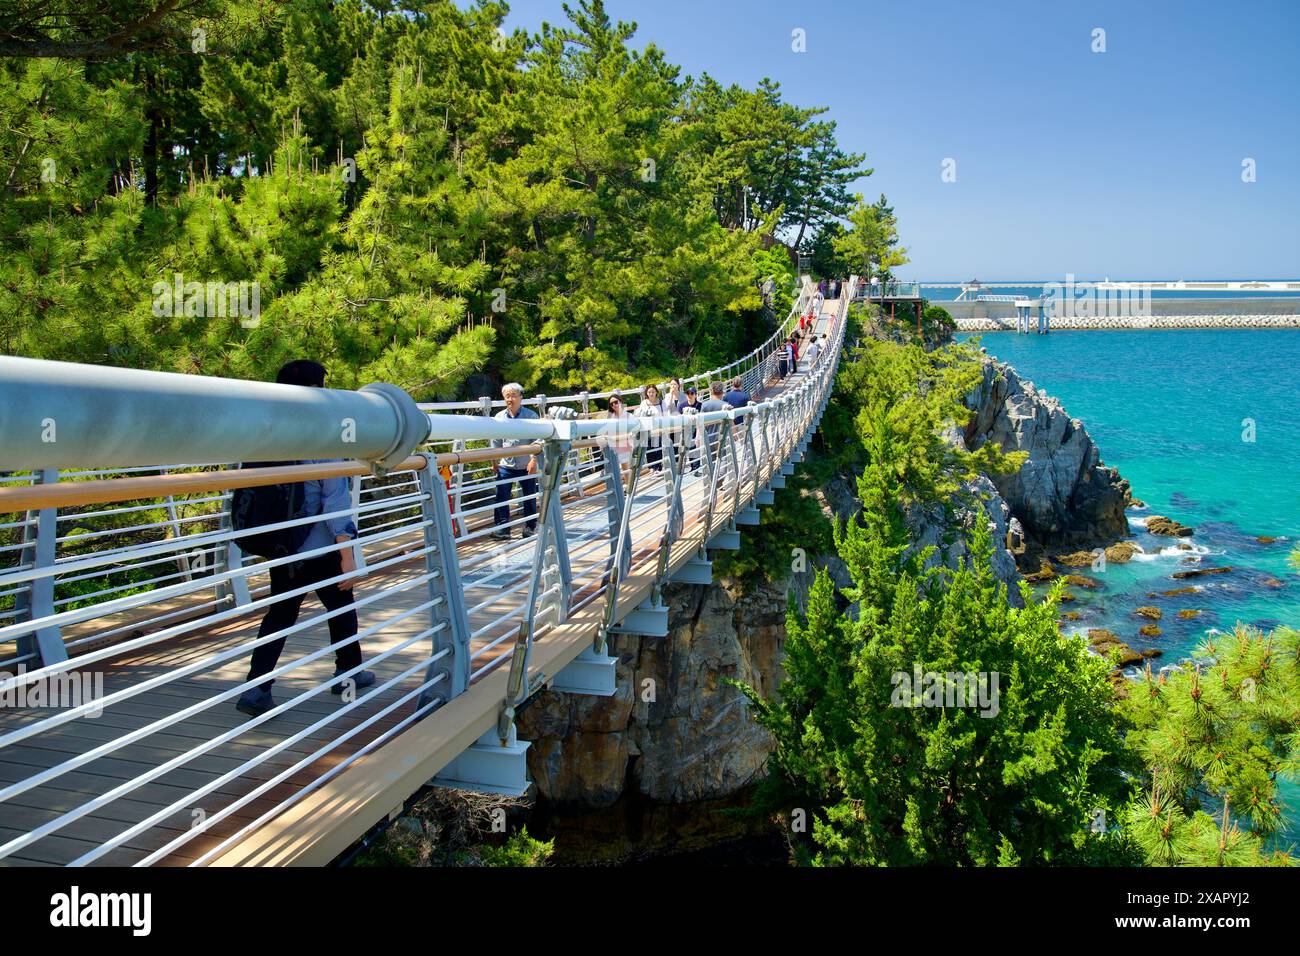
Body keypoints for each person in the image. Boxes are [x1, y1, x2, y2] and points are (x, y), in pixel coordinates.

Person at [236, 359, 372, 719]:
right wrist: (347, 552)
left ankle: (257, 688)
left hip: (283, 545)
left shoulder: (266, 430)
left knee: (280, 614)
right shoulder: (322, 432)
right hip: (318, 544)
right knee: (342, 606)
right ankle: (348, 672)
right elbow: (335, 498)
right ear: (315, 389)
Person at [490, 383, 539, 541]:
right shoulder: (499, 417)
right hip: (506, 464)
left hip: (526, 463)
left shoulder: (531, 416)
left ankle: (530, 527)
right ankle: (503, 529)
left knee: (529, 496)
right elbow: (495, 441)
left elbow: (538, 439)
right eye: (507, 396)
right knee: (501, 496)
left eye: (513, 396)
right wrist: (494, 461)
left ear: (520, 397)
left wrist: (534, 460)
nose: (510, 399)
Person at [634, 383, 666, 471]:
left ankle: (658, 467)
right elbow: (641, 415)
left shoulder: (661, 402)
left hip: (658, 428)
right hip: (648, 429)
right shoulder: (644, 403)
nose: (651, 394)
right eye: (649, 392)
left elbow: (665, 414)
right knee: (649, 449)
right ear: (646, 393)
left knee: (658, 448)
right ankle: (652, 468)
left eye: (653, 392)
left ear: (656, 392)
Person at [605, 394, 635, 466]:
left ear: (620, 401)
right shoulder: (610, 418)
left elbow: (634, 431)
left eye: (616, 402)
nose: (614, 405)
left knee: (631, 468)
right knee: (624, 470)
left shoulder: (629, 416)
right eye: (612, 404)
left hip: (629, 444)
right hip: (616, 446)